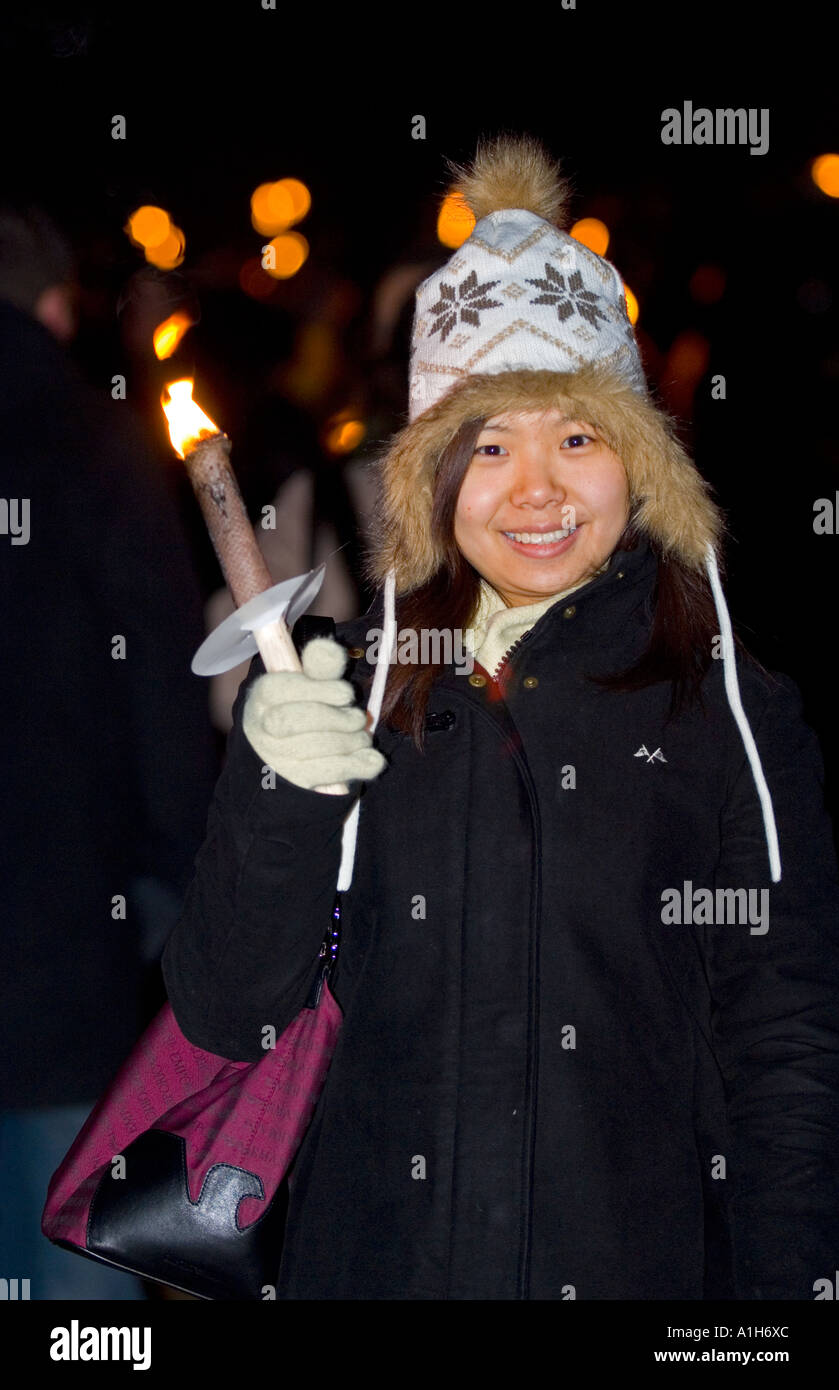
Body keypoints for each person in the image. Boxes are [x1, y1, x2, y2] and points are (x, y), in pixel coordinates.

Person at [161, 134, 839, 1300]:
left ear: (638, 467)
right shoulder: (351, 686)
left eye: (576, 438)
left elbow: (786, 1046)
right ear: (429, 481)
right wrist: (274, 784)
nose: (534, 488)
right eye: (487, 445)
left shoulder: (726, 704)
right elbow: (227, 1011)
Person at [0, 203, 217, 1297]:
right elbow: (162, 693)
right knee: (67, 1247)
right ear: (54, 305)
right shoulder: (94, 443)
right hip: (62, 934)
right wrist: (186, 879)